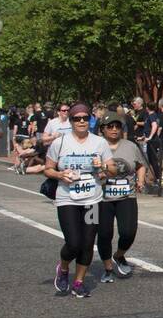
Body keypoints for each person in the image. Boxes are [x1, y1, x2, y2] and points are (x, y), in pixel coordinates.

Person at [43, 102, 111, 298]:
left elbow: (112, 169)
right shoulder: (60, 143)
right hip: (68, 199)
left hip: (92, 199)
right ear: (71, 121)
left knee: (88, 243)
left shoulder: (99, 142)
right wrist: (59, 175)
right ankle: (63, 268)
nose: (81, 121)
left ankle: (79, 282)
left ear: (90, 120)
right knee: (74, 243)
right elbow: (47, 169)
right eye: (76, 118)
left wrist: (103, 168)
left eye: (85, 118)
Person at [96, 114, 147, 283]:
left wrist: (140, 180)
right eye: (110, 126)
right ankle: (108, 268)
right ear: (102, 128)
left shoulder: (130, 146)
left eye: (117, 126)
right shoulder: (96, 146)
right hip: (102, 198)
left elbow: (140, 166)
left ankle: (119, 255)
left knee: (129, 232)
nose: (114, 129)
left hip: (127, 195)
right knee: (104, 234)